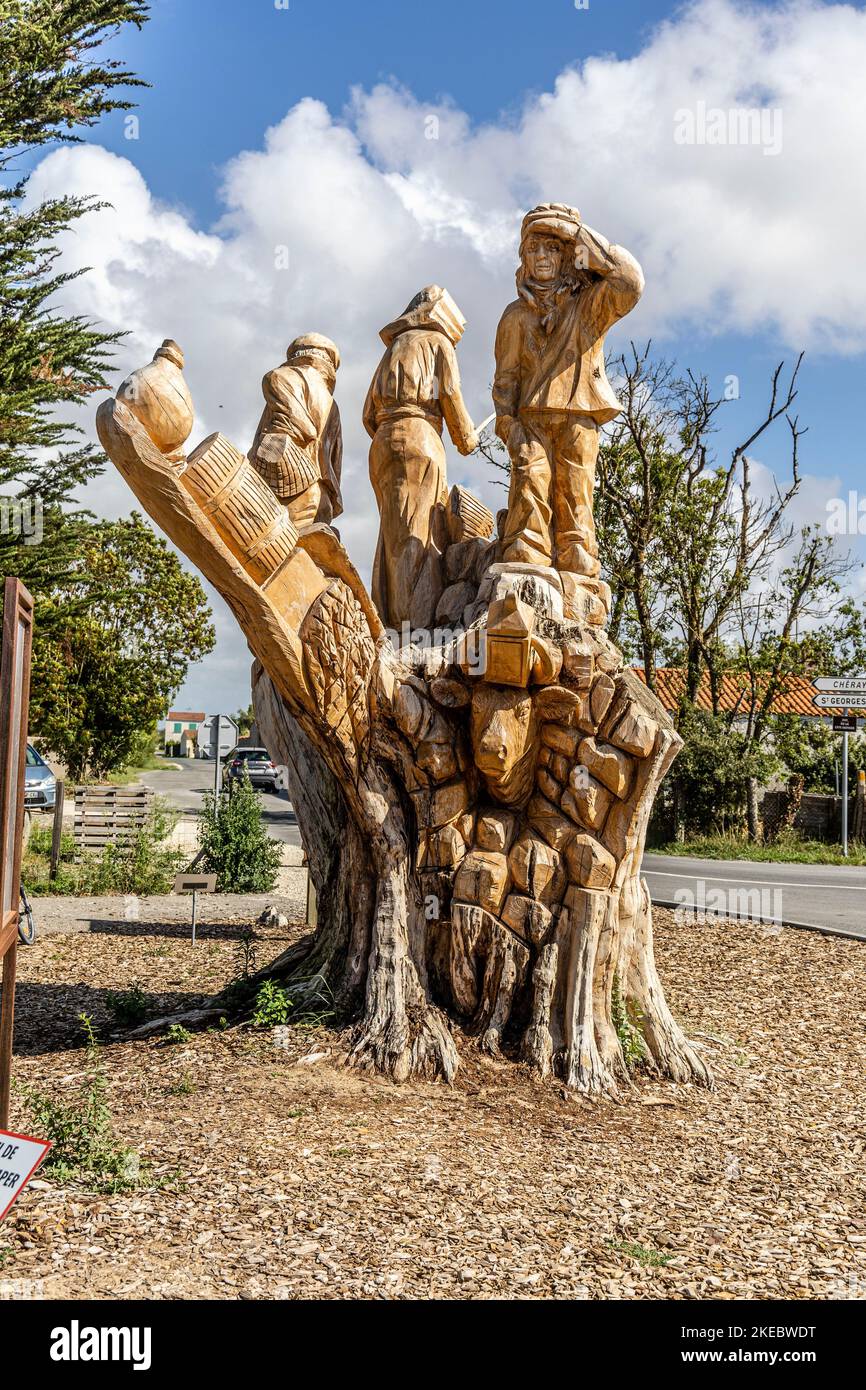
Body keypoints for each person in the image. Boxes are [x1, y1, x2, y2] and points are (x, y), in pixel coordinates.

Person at [493, 203, 644, 578]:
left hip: (579, 413)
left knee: (576, 488)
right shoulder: (515, 316)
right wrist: (507, 422)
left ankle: (576, 553)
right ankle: (526, 547)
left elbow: (630, 281)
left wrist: (575, 232)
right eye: (533, 249)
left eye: (551, 248)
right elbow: (506, 378)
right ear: (523, 257)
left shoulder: (589, 304)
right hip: (529, 418)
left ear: (567, 255)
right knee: (530, 477)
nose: (541, 256)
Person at [364, 286, 479, 633]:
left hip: (382, 443)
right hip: (420, 438)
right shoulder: (437, 343)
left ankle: (386, 619)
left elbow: (368, 415)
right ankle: (413, 629)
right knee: (419, 532)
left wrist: (392, 433)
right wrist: (465, 436)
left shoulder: (393, 350)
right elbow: (450, 394)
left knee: (391, 536)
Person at [248, 333, 342, 530]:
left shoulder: (280, 377)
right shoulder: (332, 404)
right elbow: (335, 462)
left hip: (287, 484)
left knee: (272, 555)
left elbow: (297, 428)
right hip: (321, 494)